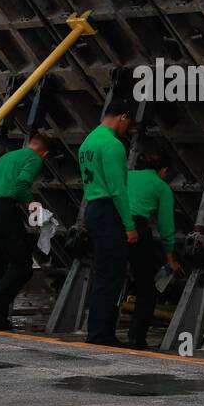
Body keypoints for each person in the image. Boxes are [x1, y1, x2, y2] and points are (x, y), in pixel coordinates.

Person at [0, 133, 51, 330]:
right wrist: (32, 205)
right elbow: (21, 185)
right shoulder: (34, 158)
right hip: (2, 209)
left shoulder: (8, 156)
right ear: (45, 152)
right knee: (22, 265)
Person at [79, 101, 137, 346]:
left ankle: (97, 331)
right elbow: (117, 189)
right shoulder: (112, 145)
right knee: (112, 275)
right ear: (122, 117)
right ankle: (103, 334)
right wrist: (129, 225)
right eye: (128, 124)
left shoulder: (88, 142)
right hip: (108, 210)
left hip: (92, 207)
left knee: (102, 273)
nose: (128, 129)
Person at [125, 149, 180, 349]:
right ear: (163, 170)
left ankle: (100, 332)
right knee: (146, 287)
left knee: (109, 280)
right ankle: (136, 337)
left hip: (112, 224)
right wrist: (170, 258)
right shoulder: (161, 187)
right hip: (137, 230)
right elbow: (166, 228)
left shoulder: (126, 175)